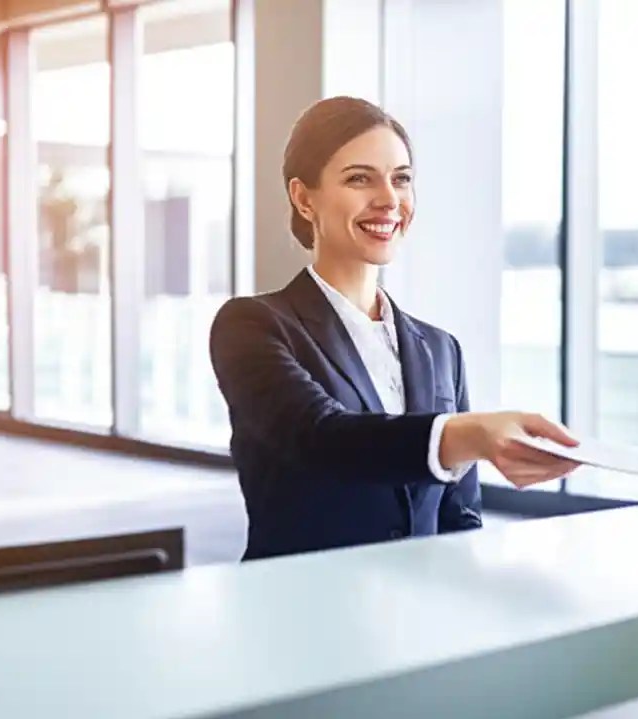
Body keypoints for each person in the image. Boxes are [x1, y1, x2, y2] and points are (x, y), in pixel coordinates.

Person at [210, 97, 578, 561]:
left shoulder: (442, 350)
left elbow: (458, 520)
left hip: (417, 618)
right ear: (304, 198)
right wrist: (472, 435)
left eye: (401, 178)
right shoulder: (252, 326)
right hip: (298, 610)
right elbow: (322, 437)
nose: (388, 199)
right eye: (360, 178)